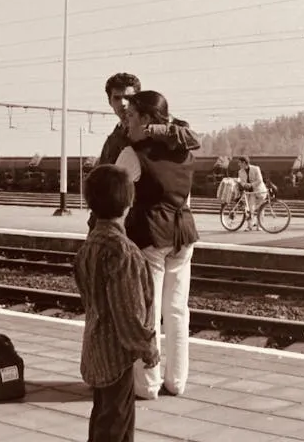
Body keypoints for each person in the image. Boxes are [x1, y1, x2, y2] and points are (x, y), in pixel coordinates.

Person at [114, 91, 199, 399]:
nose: (127, 121)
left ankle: (147, 384)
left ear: (148, 120)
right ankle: (176, 381)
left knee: (146, 312)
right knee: (177, 310)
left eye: (132, 116)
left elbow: (113, 198)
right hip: (183, 234)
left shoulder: (133, 154)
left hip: (150, 237)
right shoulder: (184, 151)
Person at [73, 164, 159, 442]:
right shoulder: (124, 252)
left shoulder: (89, 245)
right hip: (117, 355)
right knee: (115, 425)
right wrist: (147, 347)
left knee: (104, 416)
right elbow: (129, 312)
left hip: (96, 346)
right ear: (129, 203)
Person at [97, 73, 201, 166]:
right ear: (110, 102)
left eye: (128, 97)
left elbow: (194, 139)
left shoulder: (161, 121)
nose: (123, 103)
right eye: (117, 98)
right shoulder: (113, 140)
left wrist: (151, 130)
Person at [236, 156, 268, 230]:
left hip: (259, 191)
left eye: (239, 163)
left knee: (261, 208)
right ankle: (249, 226)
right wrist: (244, 185)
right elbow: (241, 181)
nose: (238, 164)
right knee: (250, 208)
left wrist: (251, 185)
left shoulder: (256, 168)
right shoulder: (240, 172)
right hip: (250, 192)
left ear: (244, 163)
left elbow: (260, 180)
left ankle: (259, 225)